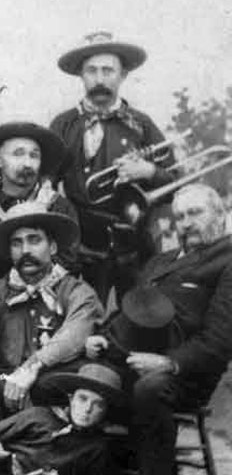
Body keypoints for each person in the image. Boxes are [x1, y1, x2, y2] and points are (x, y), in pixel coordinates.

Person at [123, 183, 232, 475]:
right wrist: (102, 339)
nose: (186, 222)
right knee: (73, 379)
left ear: (220, 215)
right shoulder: (160, 261)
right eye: (180, 216)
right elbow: (134, 310)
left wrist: (168, 364)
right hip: (136, 357)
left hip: (187, 374)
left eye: (195, 213)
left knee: (149, 389)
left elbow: (220, 339)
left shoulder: (228, 259)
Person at [0, 204, 101, 433]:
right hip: (1, 398)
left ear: (52, 247)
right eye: (17, 243)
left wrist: (31, 368)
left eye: (34, 240)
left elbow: (73, 335)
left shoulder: (77, 292)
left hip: (54, 401)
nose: (25, 250)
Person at [49, 30, 174, 304]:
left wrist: (149, 171)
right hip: (82, 246)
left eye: (108, 70)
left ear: (123, 75)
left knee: (141, 314)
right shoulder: (63, 124)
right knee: (84, 315)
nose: (100, 79)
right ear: (81, 75)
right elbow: (46, 183)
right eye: (92, 71)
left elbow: (174, 181)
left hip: (136, 243)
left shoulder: (142, 124)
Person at [0, 121, 79, 276]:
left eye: (34, 156)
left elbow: (68, 263)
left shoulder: (59, 207)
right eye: (18, 154)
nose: (27, 163)